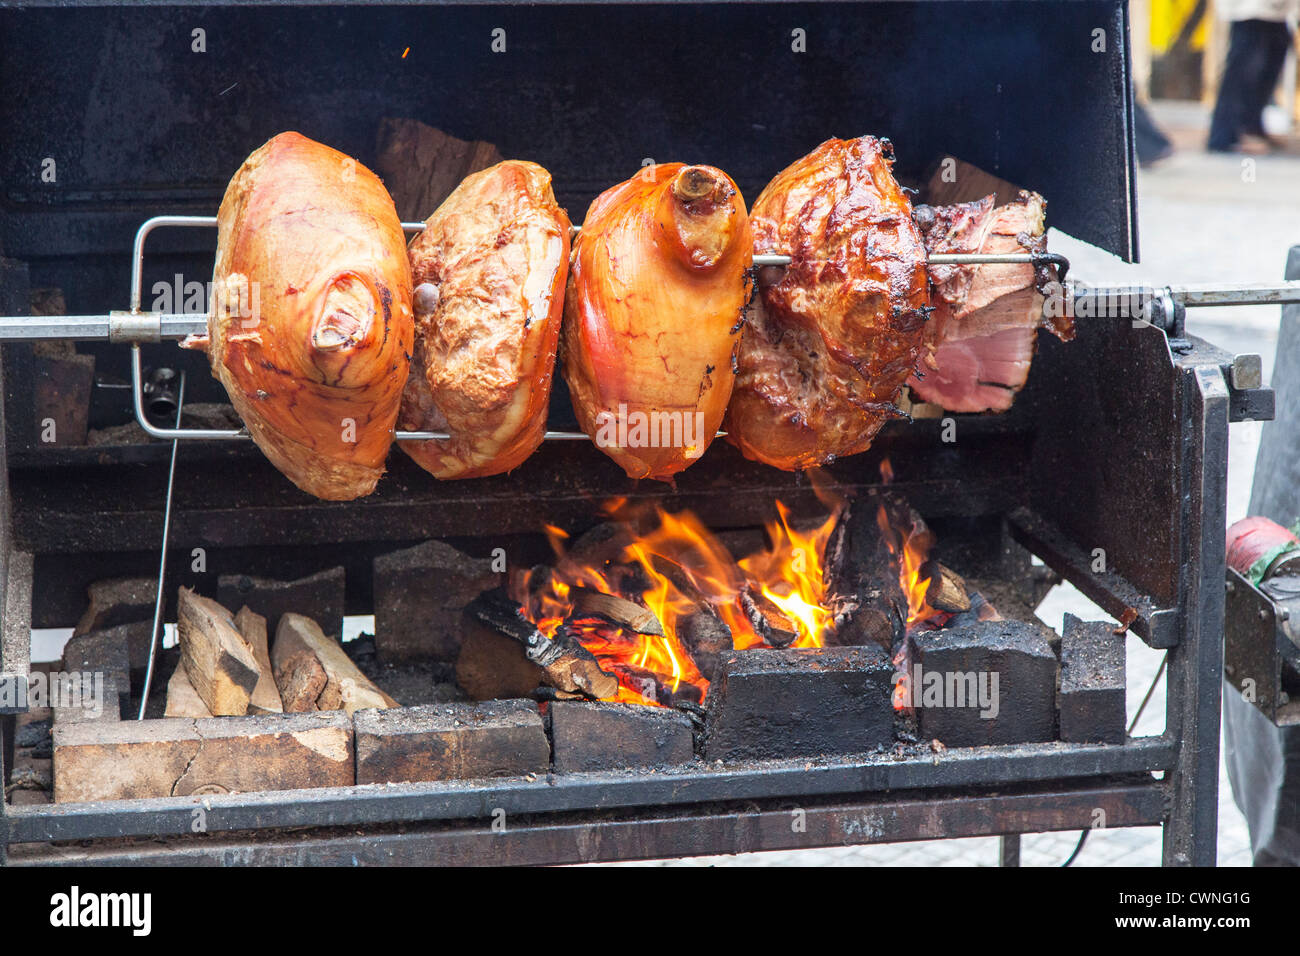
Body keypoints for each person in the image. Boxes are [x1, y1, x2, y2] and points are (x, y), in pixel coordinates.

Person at [1207, 0, 1298, 153]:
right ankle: (1223, 135)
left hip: (1272, 10)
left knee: (1276, 45)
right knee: (1245, 60)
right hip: (1250, 9)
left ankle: (1250, 127)